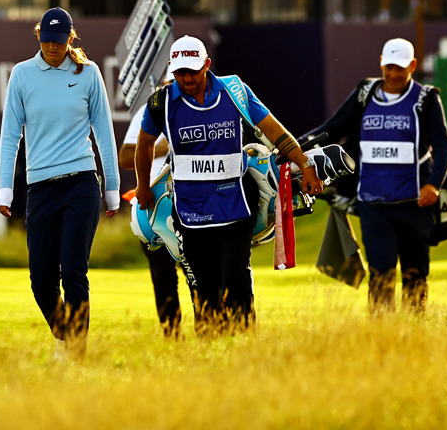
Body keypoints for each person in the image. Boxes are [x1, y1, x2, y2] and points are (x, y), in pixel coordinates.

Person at [133, 35, 322, 335]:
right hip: (190, 212)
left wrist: (306, 165)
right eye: (180, 72)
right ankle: (212, 358)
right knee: (203, 292)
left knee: (236, 281)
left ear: (207, 65)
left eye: (193, 71)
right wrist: (143, 186)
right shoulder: (160, 103)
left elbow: (272, 129)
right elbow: (142, 146)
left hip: (235, 203)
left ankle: (244, 351)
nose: (187, 79)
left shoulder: (234, 90)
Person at [0, 8, 119, 359]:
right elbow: (10, 137)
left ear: (70, 37)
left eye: (60, 39)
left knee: (74, 269)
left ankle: (76, 353)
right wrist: (6, 187)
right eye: (47, 39)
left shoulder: (89, 74)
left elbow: (104, 134)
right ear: (38, 37)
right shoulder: (21, 75)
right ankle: (64, 335)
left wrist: (111, 189)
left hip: (81, 182)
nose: (53, 46)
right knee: (41, 280)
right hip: (40, 187)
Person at [303, 38, 447, 313]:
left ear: (413, 66)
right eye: (389, 68)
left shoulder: (426, 98)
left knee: (415, 274)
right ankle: (381, 337)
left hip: (414, 204)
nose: (394, 75)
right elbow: (333, 129)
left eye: (401, 69)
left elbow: (443, 147)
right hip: (373, 205)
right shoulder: (365, 93)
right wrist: (296, 149)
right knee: (380, 274)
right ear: (381, 63)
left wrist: (433, 184)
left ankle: (415, 333)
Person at [117, 82, 181, 338]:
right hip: (153, 206)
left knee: (199, 275)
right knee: (163, 277)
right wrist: (164, 145)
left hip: (192, 202)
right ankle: (173, 340)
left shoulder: (202, 109)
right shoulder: (148, 111)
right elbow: (125, 156)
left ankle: (209, 335)